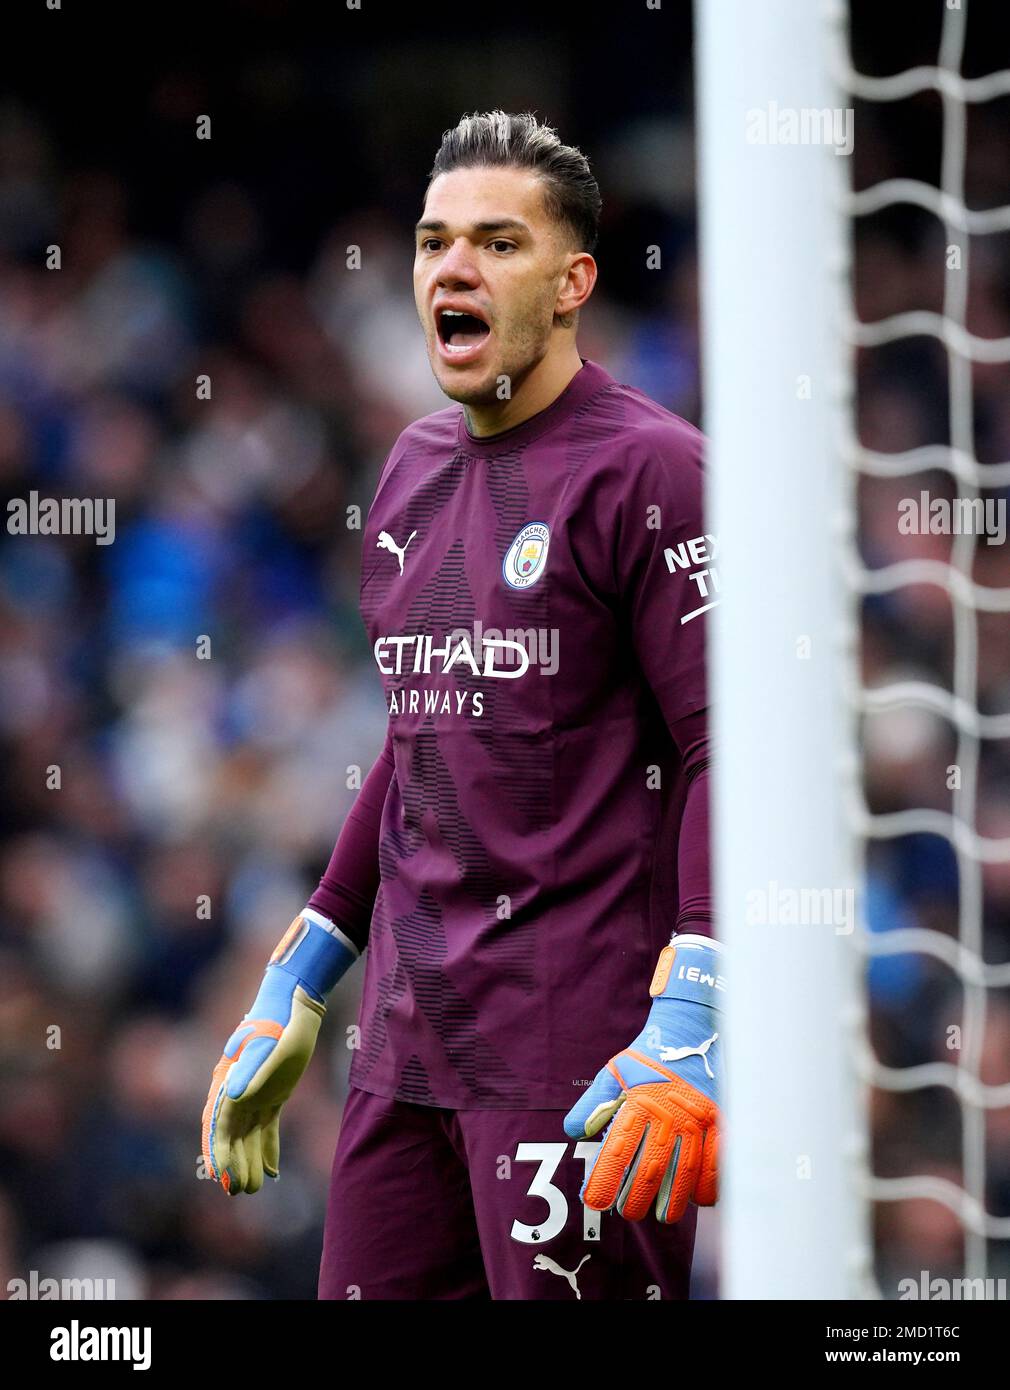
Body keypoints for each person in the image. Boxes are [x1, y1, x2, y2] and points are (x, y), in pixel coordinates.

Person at [202, 110, 723, 1301]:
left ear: (571, 281)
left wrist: (695, 1009)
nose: (451, 267)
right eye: (436, 241)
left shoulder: (651, 472)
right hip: (405, 1046)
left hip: (578, 1057)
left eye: (496, 242)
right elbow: (420, 734)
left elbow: (721, 749)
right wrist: (303, 970)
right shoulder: (409, 468)